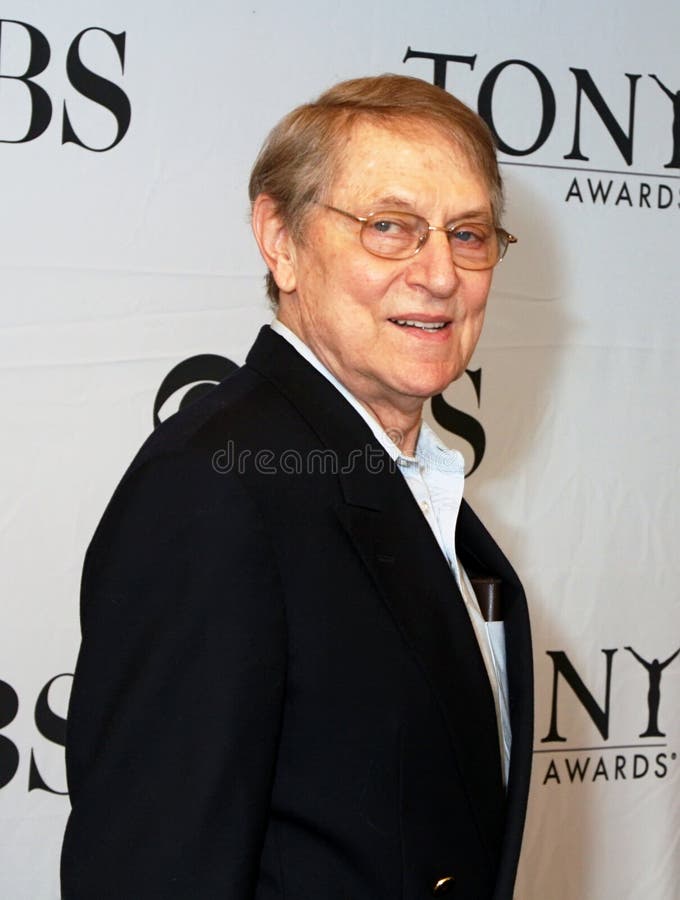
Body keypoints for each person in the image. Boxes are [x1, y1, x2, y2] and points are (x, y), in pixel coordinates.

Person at [61, 74, 533, 899]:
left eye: (468, 234)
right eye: (390, 227)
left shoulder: (406, 479)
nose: (439, 274)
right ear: (279, 242)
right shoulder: (215, 489)